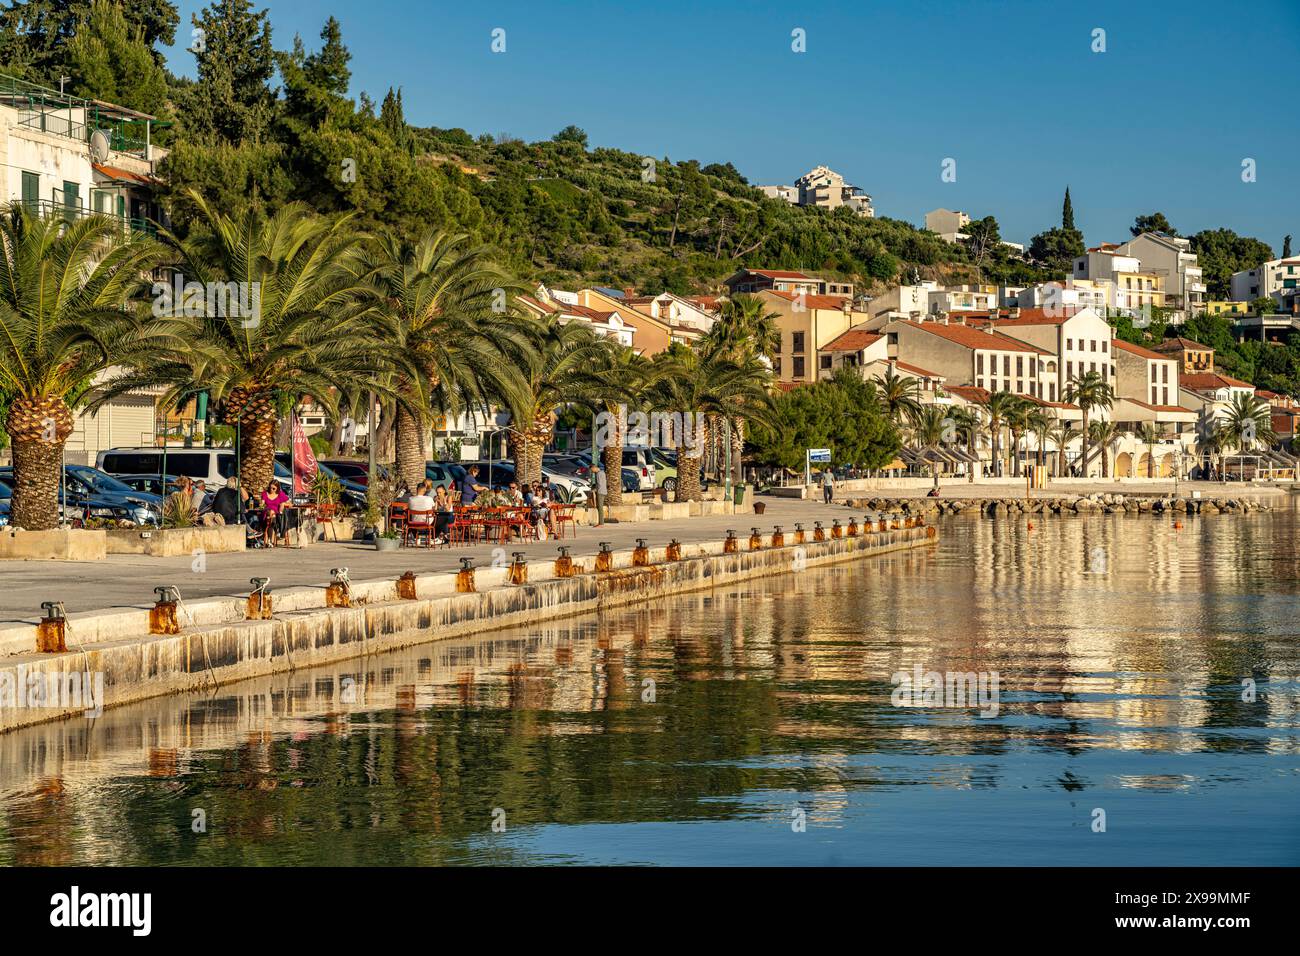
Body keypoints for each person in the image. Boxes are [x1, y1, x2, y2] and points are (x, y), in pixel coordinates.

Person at [260, 479, 290, 547]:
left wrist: (283, 504)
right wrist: (262, 504)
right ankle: (274, 535)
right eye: (270, 487)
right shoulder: (265, 493)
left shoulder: (280, 494)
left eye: (273, 488)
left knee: (272, 516)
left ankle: (269, 540)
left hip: (276, 514)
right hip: (266, 512)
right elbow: (262, 504)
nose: (271, 489)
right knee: (271, 513)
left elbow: (290, 503)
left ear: (277, 488)